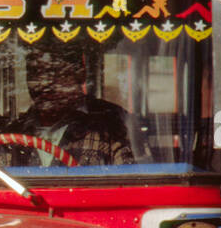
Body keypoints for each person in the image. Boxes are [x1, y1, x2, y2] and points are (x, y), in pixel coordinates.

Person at [7, 51, 135, 165]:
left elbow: (133, 183)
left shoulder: (113, 124)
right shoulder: (12, 133)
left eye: (55, 72)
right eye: (36, 73)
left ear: (80, 74)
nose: (44, 83)